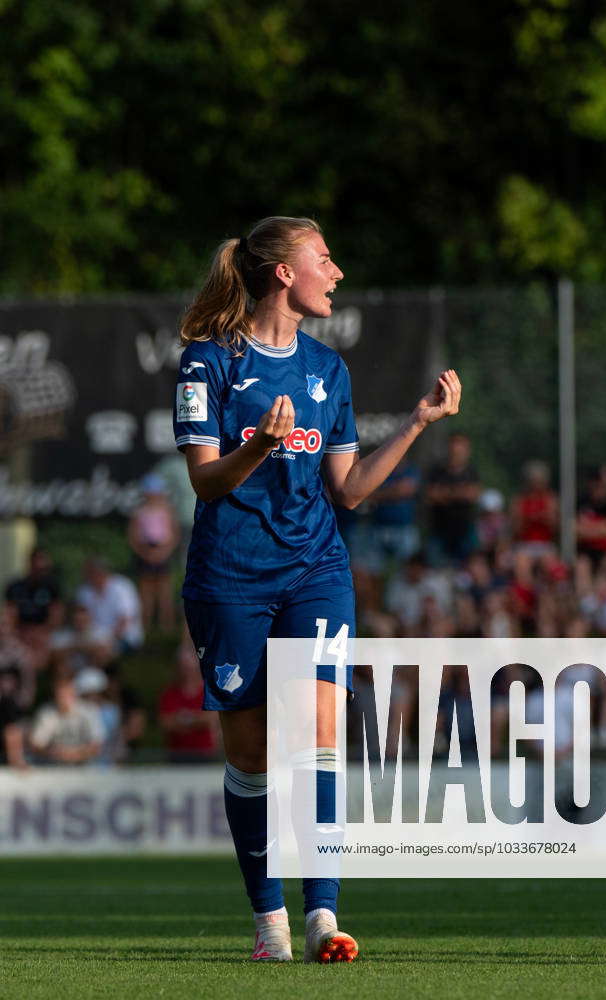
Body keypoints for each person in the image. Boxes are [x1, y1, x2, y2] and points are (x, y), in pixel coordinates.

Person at [173, 215, 461, 964]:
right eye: (324, 260)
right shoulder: (209, 362)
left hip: (314, 571)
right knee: (252, 756)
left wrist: (415, 425)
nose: (335, 274)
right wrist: (258, 446)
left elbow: (352, 491)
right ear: (282, 273)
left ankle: (322, 916)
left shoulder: (327, 370)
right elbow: (204, 481)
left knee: (323, 734)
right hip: (229, 578)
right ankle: (268, 922)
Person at [128, 474, 181, 632]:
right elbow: (133, 535)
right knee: (146, 593)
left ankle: (166, 627)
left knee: (165, 593)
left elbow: (174, 534)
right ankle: (145, 628)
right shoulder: (139, 511)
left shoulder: (168, 511)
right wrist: (145, 553)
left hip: (162, 550)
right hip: (146, 551)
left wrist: (164, 552)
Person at [158, 642, 220, 764]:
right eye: (184, 667)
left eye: (190, 668)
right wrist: (197, 720)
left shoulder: (209, 692)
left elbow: (211, 719)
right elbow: (166, 723)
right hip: (177, 756)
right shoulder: (169, 693)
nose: (187, 672)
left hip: (204, 755)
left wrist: (182, 719)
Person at [425, 433, 480, 565]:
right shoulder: (437, 471)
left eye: (461, 447)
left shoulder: (472, 471)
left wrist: (445, 493)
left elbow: (472, 495)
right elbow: (432, 495)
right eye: (454, 447)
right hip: (439, 530)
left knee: (467, 571)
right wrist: (460, 493)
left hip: (464, 530)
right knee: (435, 571)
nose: (457, 451)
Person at [76, 558, 144, 656]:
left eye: (90, 573)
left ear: (101, 573)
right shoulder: (84, 591)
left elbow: (124, 621)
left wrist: (106, 640)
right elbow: (80, 619)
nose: (87, 577)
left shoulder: (122, 587)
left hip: (124, 638)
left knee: (100, 651)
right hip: (92, 638)